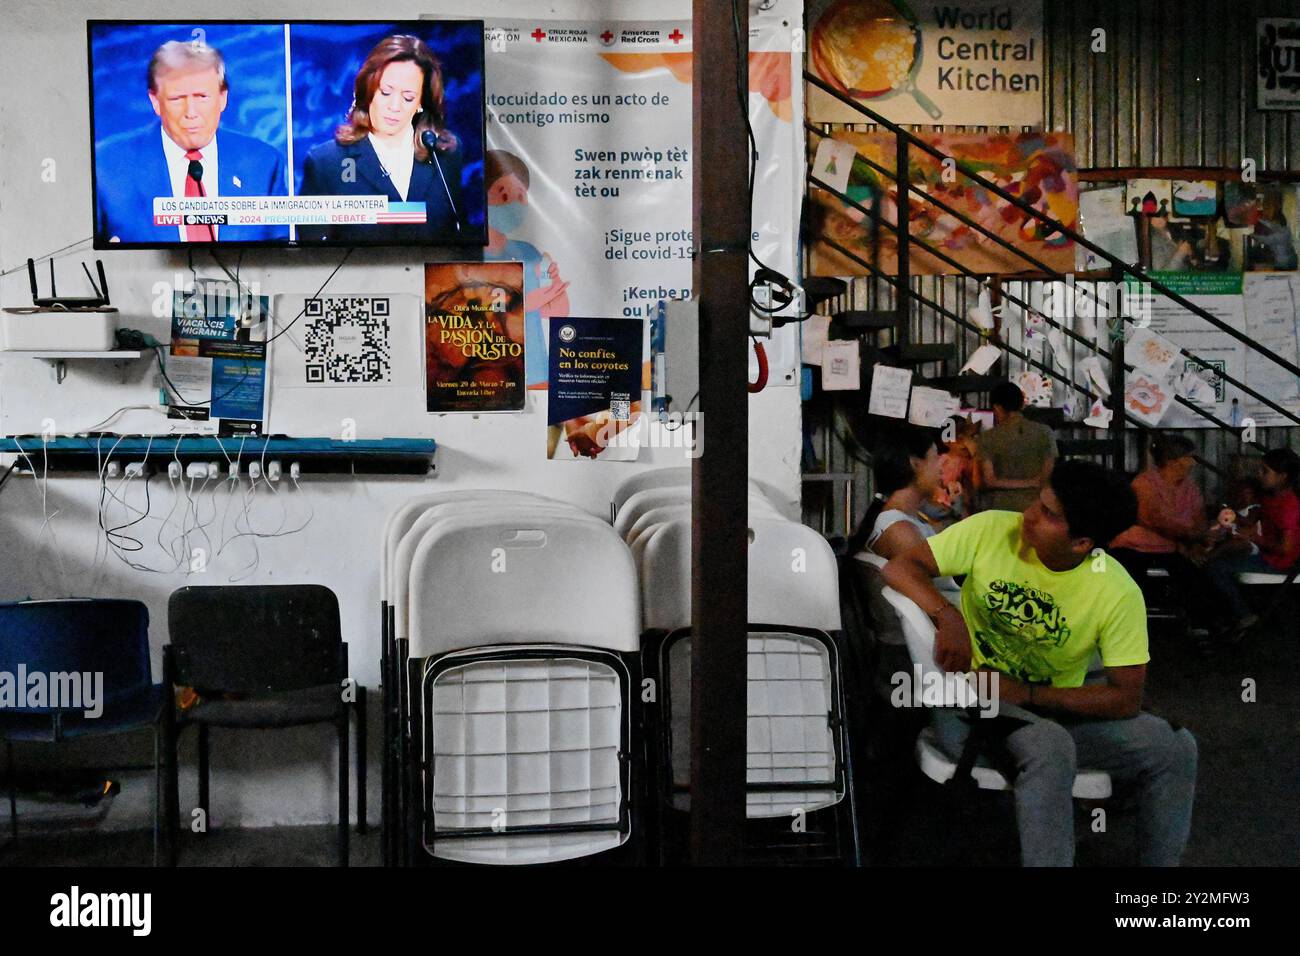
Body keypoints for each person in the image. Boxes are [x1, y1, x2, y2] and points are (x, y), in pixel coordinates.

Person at [883, 460, 1198, 867]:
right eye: (1038, 501)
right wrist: (948, 615)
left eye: (1049, 514)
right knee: (1050, 744)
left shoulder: (1116, 591)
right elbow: (900, 566)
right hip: (972, 709)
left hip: (1049, 713)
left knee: (1175, 747)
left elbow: (1125, 699)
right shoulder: (991, 529)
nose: (1029, 515)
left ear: (1082, 543)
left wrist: (1031, 694)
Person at [95, 40, 289, 244]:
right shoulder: (107, 165)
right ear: (155, 101)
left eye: (202, 96)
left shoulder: (263, 162)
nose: (191, 113)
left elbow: (282, 252)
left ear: (222, 98)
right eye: (177, 99)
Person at [299, 35, 464, 244]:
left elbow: (459, 237)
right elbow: (313, 251)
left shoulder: (444, 155)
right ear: (368, 92)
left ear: (421, 102)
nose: (394, 106)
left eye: (408, 97)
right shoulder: (326, 162)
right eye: (385, 92)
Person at [845, 422, 959, 700]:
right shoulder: (899, 530)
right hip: (924, 655)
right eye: (935, 458)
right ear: (914, 464)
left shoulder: (902, 520)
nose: (941, 467)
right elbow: (935, 592)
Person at [1109, 434, 1220, 641]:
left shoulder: (1190, 488)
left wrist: (1197, 542)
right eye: (1189, 457)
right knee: (1129, 577)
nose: (1193, 462)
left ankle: (1200, 624)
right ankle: (1124, 627)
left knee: (1195, 574)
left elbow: (1200, 520)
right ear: (1173, 460)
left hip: (1172, 547)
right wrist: (1185, 542)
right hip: (1136, 546)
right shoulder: (1145, 483)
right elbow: (1153, 520)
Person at [483, 149, 571, 388]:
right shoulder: (468, 259)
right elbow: (480, 316)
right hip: (490, 376)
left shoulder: (529, 253)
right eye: (504, 194)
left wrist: (554, 285)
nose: (513, 203)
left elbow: (557, 313)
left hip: (535, 371)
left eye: (521, 196)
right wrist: (526, 303)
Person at [1203, 448, 1300, 641]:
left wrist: (1254, 538)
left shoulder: (1289, 506)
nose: (1260, 475)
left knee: (1215, 567)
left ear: (1282, 476)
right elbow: (1254, 519)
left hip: (1281, 563)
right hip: (1268, 556)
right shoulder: (1271, 497)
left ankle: (1243, 615)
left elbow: (1285, 548)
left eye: (1265, 471)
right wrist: (1233, 516)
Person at [975, 382, 1057, 512]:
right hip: (1037, 507)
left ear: (997, 408)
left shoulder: (988, 437)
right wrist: (1033, 482)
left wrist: (1025, 483)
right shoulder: (1045, 432)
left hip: (1002, 508)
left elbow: (989, 480)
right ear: (1022, 404)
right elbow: (1047, 475)